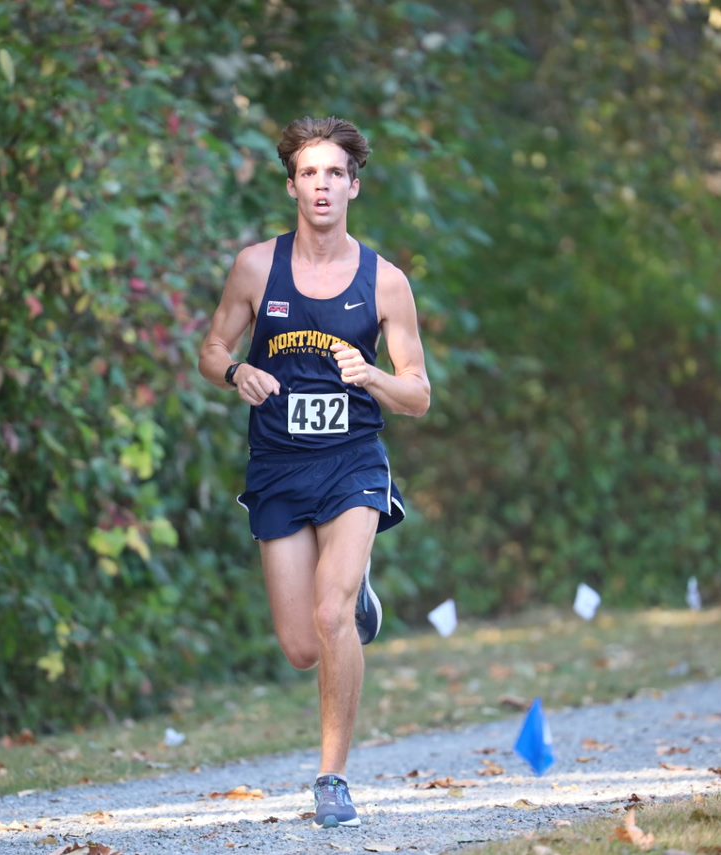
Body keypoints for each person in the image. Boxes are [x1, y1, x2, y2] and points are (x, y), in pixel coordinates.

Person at [198, 116, 431, 828]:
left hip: (352, 461)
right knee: (304, 647)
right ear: (292, 187)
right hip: (277, 465)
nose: (322, 185)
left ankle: (333, 778)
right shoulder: (255, 268)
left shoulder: (385, 282)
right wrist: (236, 373)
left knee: (330, 613)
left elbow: (418, 394)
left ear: (353, 186)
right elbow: (210, 349)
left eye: (335, 173)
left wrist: (372, 376)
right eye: (309, 173)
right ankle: (356, 602)